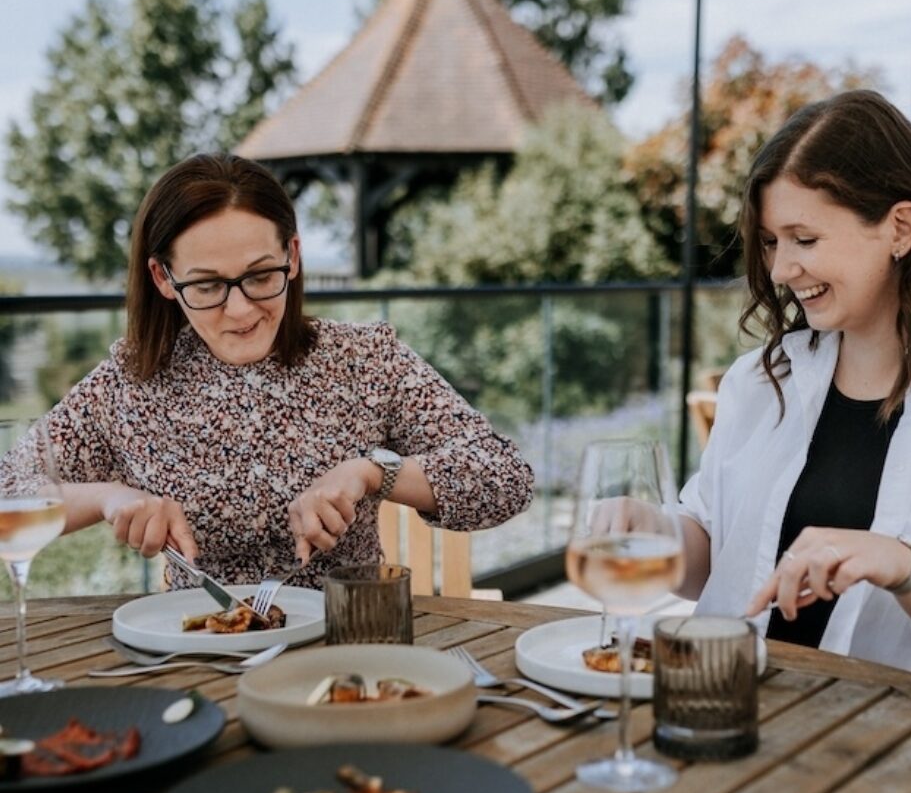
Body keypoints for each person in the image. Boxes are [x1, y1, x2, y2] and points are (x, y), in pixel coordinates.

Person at [0, 153, 533, 589]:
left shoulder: (365, 359)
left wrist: (373, 472)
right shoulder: (128, 382)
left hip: (346, 652)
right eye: (207, 285)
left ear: (294, 257)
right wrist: (106, 497)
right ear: (163, 278)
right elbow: (7, 496)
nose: (241, 311)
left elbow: (505, 477)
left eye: (260, 275)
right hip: (196, 652)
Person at [676, 89, 911, 696]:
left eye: (805, 238)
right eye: (772, 241)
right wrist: (650, 535)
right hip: (730, 718)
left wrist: (904, 566)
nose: (778, 271)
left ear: (900, 227)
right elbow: (719, 558)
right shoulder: (759, 381)